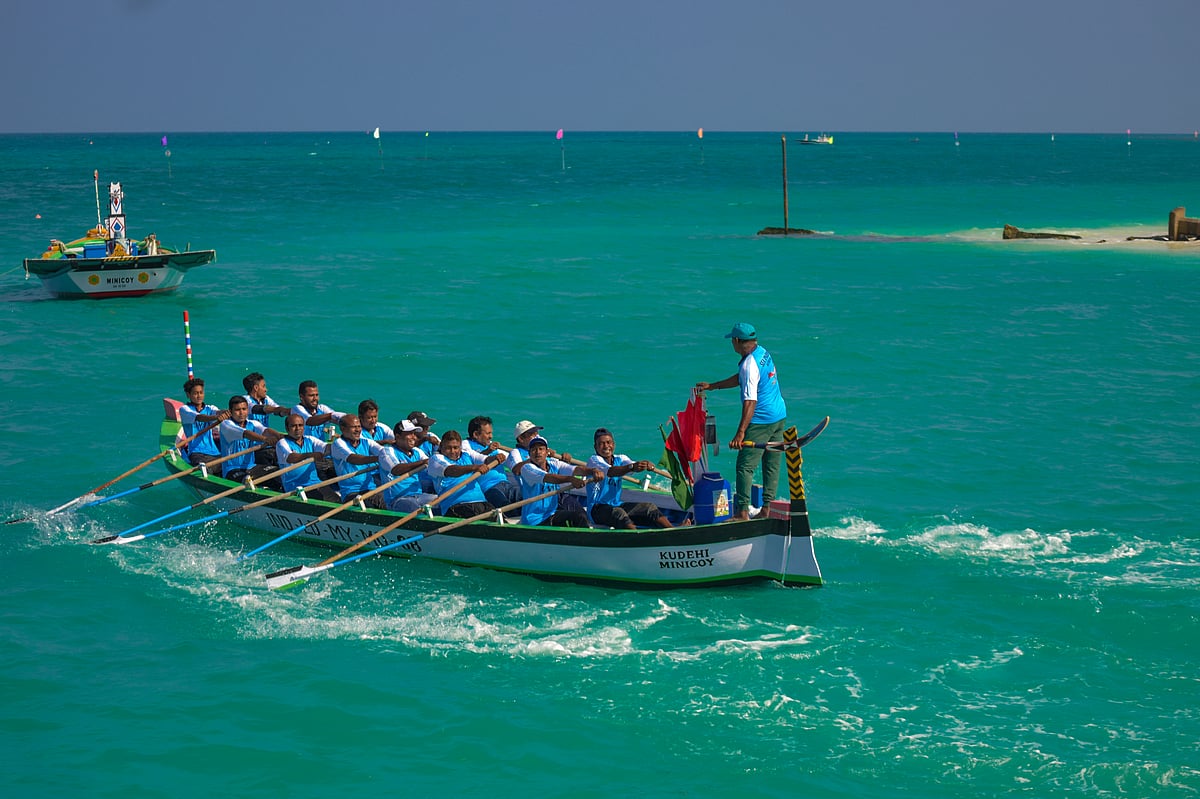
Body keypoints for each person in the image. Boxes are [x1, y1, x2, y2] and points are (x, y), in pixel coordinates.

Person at [696, 322, 788, 519]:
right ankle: (767, 509)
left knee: (744, 467)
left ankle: (742, 511)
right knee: (771, 464)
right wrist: (713, 386)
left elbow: (750, 401)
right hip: (779, 416)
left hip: (761, 421)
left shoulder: (749, 365)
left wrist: (740, 433)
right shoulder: (762, 352)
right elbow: (742, 378)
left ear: (737, 341)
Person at [585, 428, 674, 529]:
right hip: (596, 509)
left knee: (649, 507)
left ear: (613, 444)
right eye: (601, 443)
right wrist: (632, 467)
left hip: (616, 505)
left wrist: (643, 465)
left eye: (608, 442)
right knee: (619, 513)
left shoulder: (621, 458)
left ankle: (671, 530)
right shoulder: (593, 461)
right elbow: (611, 471)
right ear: (595, 447)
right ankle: (636, 535)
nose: (606, 446)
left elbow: (632, 466)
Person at [514, 436, 597, 527]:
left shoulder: (554, 463)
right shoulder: (527, 468)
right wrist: (571, 479)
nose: (537, 452)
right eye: (534, 450)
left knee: (580, 516)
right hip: (535, 521)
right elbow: (549, 477)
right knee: (575, 518)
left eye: (541, 449)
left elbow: (576, 470)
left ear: (547, 452)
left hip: (551, 514)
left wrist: (593, 471)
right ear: (529, 454)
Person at [427, 430, 505, 518]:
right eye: (448, 448)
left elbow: (486, 459)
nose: (452, 451)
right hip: (456, 506)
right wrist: (473, 467)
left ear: (460, 447)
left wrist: (496, 458)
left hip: (481, 503)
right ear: (441, 446)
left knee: (500, 519)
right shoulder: (435, 459)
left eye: (456, 448)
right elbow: (451, 470)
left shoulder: (467, 454)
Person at [218, 396, 284, 482]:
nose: (241, 413)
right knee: (247, 480)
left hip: (251, 467)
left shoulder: (253, 423)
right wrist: (265, 439)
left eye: (244, 409)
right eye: (237, 410)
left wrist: (280, 437)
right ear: (230, 412)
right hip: (232, 469)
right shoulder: (226, 425)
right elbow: (246, 434)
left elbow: (266, 430)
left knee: (279, 473)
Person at [375, 419, 437, 512]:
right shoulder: (387, 452)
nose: (414, 437)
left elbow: (431, 466)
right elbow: (396, 470)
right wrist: (421, 463)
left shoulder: (417, 452)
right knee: (414, 506)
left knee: (442, 501)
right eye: (409, 434)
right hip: (398, 500)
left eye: (414, 433)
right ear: (398, 436)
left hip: (419, 496)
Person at [275, 414, 337, 501]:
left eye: (300, 425)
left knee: (336, 501)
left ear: (304, 427)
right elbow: (291, 458)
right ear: (287, 428)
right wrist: (310, 455)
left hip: (316, 484)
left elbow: (326, 448)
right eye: (293, 426)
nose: (298, 429)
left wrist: (341, 445)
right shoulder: (282, 443)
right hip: (295, 487)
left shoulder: (310, 439)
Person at [465, 415, 520, 508]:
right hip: (489, 488)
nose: (491, 436)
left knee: (526, 500)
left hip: (506, 484)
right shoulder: (466, 445)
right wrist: (488, 451)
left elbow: (511, 460)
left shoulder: (491, 445)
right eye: (488, 433)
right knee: (507, 508)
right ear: (476, 434)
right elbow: (472, 460)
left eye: (491, 433)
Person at [329, 414, 385, 501]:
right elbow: (353, 459)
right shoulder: (338, 444)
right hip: (351, 492)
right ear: (343, 429)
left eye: (359, 426)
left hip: (370, 489)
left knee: (387, 501)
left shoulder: (367, 442)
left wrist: (389, 456)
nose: (358, 430)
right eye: (354, 427)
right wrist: (380, 458)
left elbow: (382, 451)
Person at [242, 372, 289, 466]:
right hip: (253, 446)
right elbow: (259, 409)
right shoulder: (244, 401)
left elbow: (277, 409)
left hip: (267, 442)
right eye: (263, 386)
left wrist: (289, 412)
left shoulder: (266, 399)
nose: (266, 389)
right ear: (256, 388)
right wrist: (276, 410)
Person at [179, 378, 227, 466]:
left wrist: (229, 412)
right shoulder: (185, 410)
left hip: (214, 452)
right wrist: (217, 417)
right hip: (196, 452)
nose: (199, 396)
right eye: (195, 393)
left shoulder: (210, 408)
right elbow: (199, 417)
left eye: (201, 392)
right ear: (188, 395)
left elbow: (218, 412)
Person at [407, 411, 440, 493]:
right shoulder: (405, 441)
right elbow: (410, 448)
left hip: (432, 477)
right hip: (417, 482)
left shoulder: (430, 435)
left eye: (427, 426)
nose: (427, 429)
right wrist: (424, 439)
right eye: (424, 427)